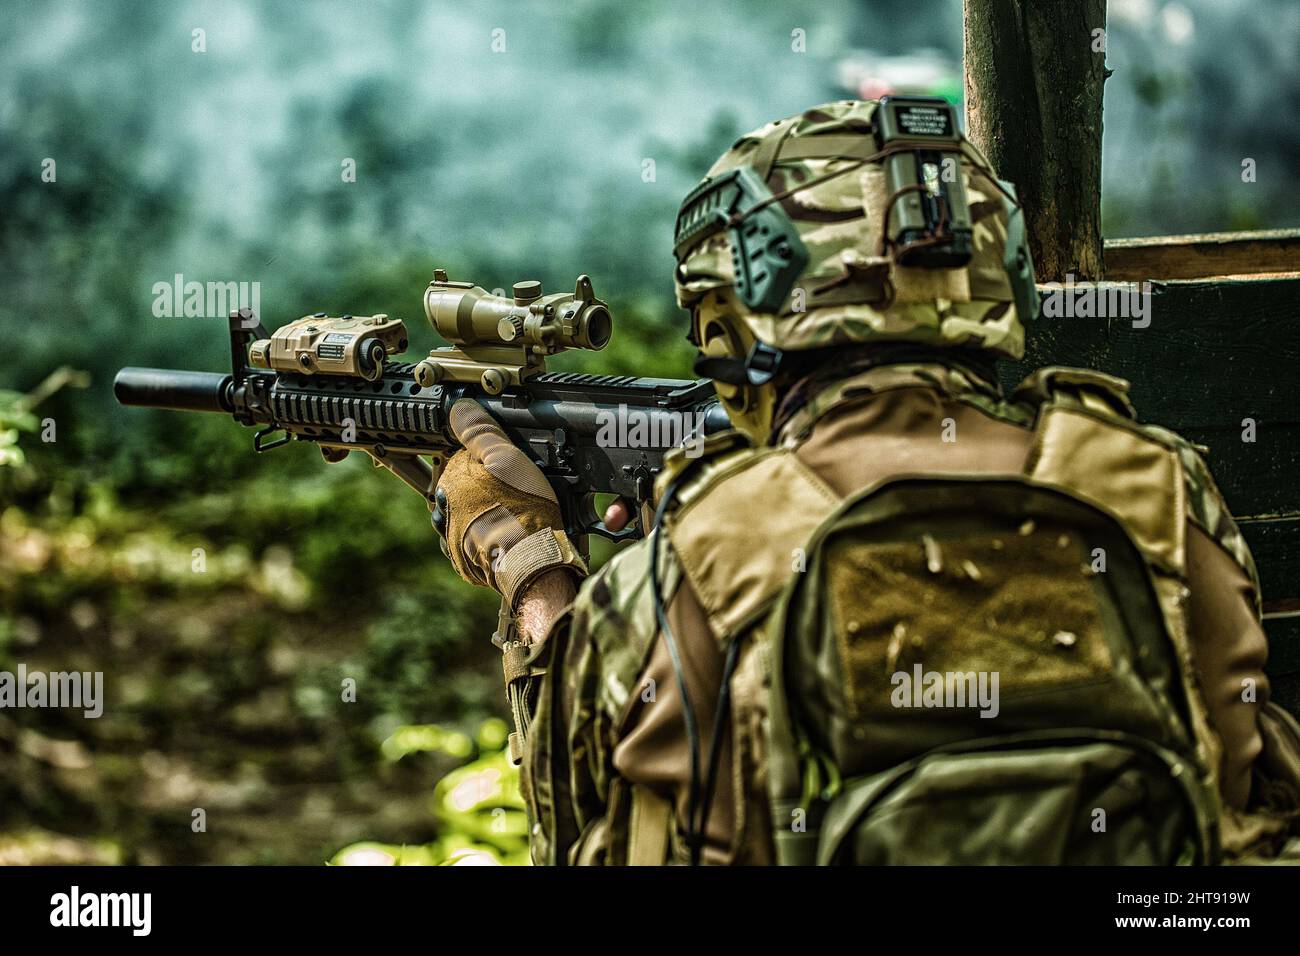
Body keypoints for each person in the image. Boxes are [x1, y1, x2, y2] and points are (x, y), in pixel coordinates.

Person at [432, 99, 1300, 865]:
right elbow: (1249, 789)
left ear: (728, 314)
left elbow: (574, 836)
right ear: (997, 278)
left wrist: (526, 558)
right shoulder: (1156, 491)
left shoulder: (689, 571)